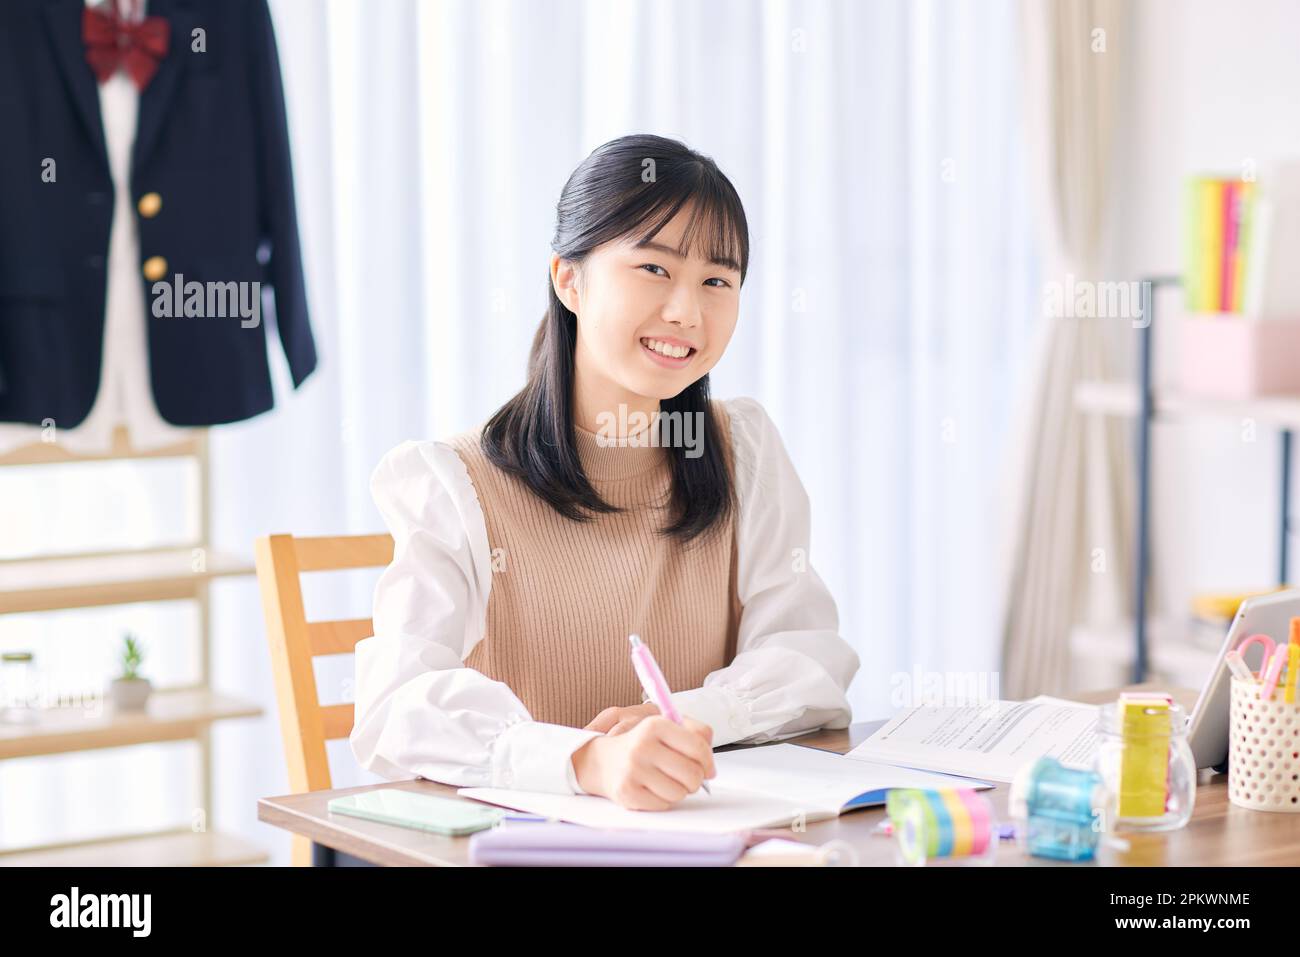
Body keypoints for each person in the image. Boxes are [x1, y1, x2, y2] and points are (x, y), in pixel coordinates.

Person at [350, 133, 859, 810]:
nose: (686, 311)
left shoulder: (744, 453)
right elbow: (397, 704)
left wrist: (691, 714)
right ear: (569, 279)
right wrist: (587, 759)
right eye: (654, 269)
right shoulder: (456, 482)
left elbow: (811, 657)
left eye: (717, 280)